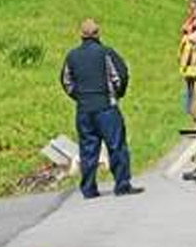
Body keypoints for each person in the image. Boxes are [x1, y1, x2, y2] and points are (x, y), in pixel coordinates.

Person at [60, 19, 142, 198]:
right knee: (116, 146)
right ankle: (122, 185)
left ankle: (89, 189)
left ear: (81, 35)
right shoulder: (106, 53)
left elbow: (66, 82)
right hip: (106, 107)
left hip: (84, 109)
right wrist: (117, 94)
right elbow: (120, 75)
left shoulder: (72, 56)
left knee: (88, 148)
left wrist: (79, 97)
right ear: (98, 34)